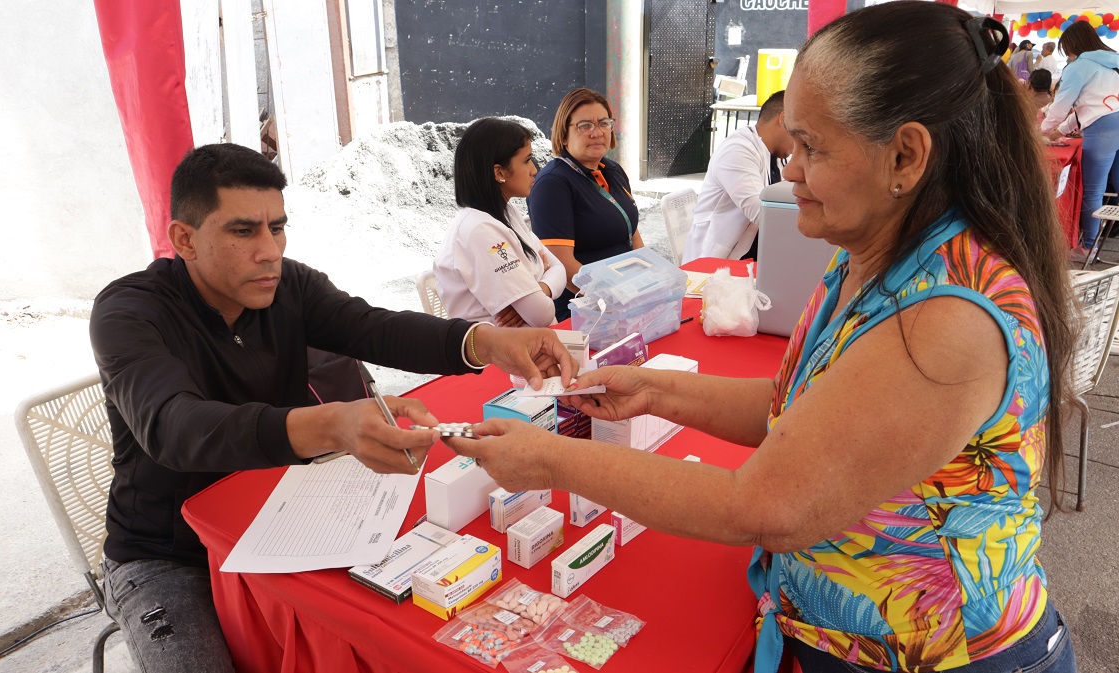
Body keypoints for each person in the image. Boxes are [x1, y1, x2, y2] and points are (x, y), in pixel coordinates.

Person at [448, 4, 1078, 672]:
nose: (791, 168)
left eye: (812, 147)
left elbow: (765, 504)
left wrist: (551, 460)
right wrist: (654, 391)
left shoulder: (947, 318)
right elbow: (798, 409)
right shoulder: (871, 252)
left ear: (905, 156)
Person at [90, 143, 578, 671]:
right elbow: (174, 427)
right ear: (184, 239)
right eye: (243, 231)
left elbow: (374, 328)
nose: (268, 251)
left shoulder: (287, 285)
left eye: (277, 228)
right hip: (167, 554)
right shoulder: (129, 311)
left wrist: (484, 340)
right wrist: (330, 425)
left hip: (284, 518)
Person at [434, 117, 567, 327]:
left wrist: (539, 288)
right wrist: (541, 278)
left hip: (535, 339)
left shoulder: (507, 213)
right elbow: (540, 314)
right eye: (526, 160)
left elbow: (560, 269)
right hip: (504, 346)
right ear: (499, 172)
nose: (534, 170)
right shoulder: (479, 230)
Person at [528, 88, 643, 322]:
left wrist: (648, 280)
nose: (597, 132)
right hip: (583, 308)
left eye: (604, 123)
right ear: (563, 135)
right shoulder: (553, 183)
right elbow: (561, 263)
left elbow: (631, 232)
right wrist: (610, 300)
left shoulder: (612, 170)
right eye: (585, 126)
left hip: (626, 296)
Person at [682, 90, 793, 263]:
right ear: (783, 119)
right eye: (800, 130)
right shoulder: (738, 150)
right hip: (716, 263)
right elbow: (761, 213)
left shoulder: (775, 155)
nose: (803, 140)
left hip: (750, 254)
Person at [1042, 20, 1119, 259]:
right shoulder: (1113, 62)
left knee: (1093, 191)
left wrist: (1042, 131)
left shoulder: (1079, 67)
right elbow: (1085, 108)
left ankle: (1088, 248)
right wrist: (1059, 130)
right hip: (1111, 122)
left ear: (1072, 45)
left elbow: (1062, 106)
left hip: (1102, 129)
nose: (1068, 55)